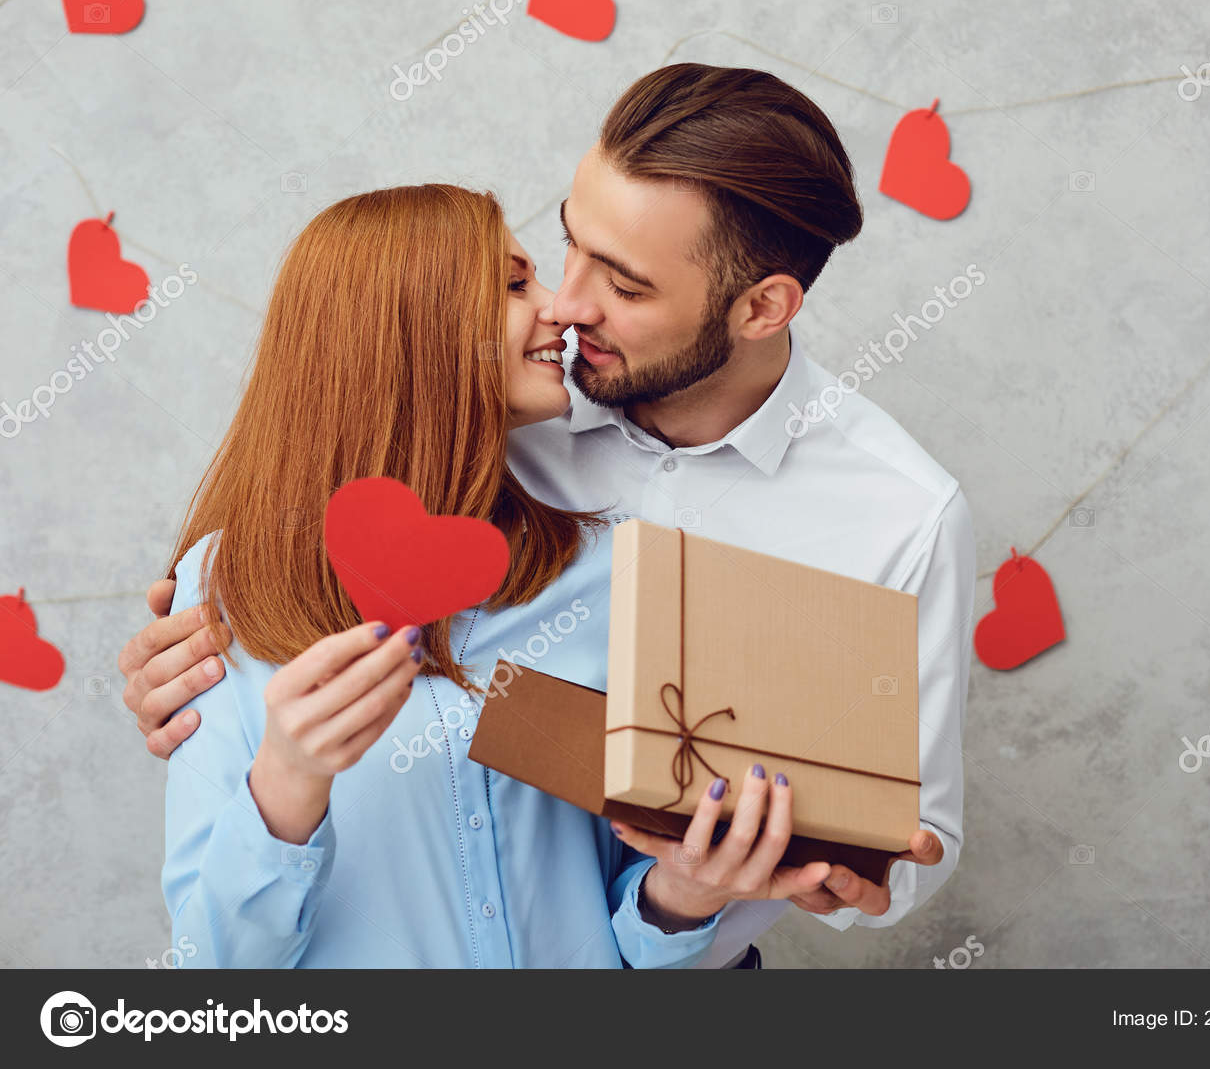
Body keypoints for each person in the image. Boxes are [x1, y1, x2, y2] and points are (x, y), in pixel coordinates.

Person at [122, 64, 975, 970]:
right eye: (563, 249)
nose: (567, 306)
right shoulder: (510, 410)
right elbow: (363, 427)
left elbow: (907, 848)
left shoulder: (901, 515)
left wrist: (793, 863)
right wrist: (215, 691)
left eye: (626, 284)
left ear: (763, 306)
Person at [158, 184, 827, 968]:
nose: (560, 308)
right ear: (411, 326)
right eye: (516, 285)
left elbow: (627, 931)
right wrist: (286, 784)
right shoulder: (228, 585)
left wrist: (683, 895)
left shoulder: (613, 570)